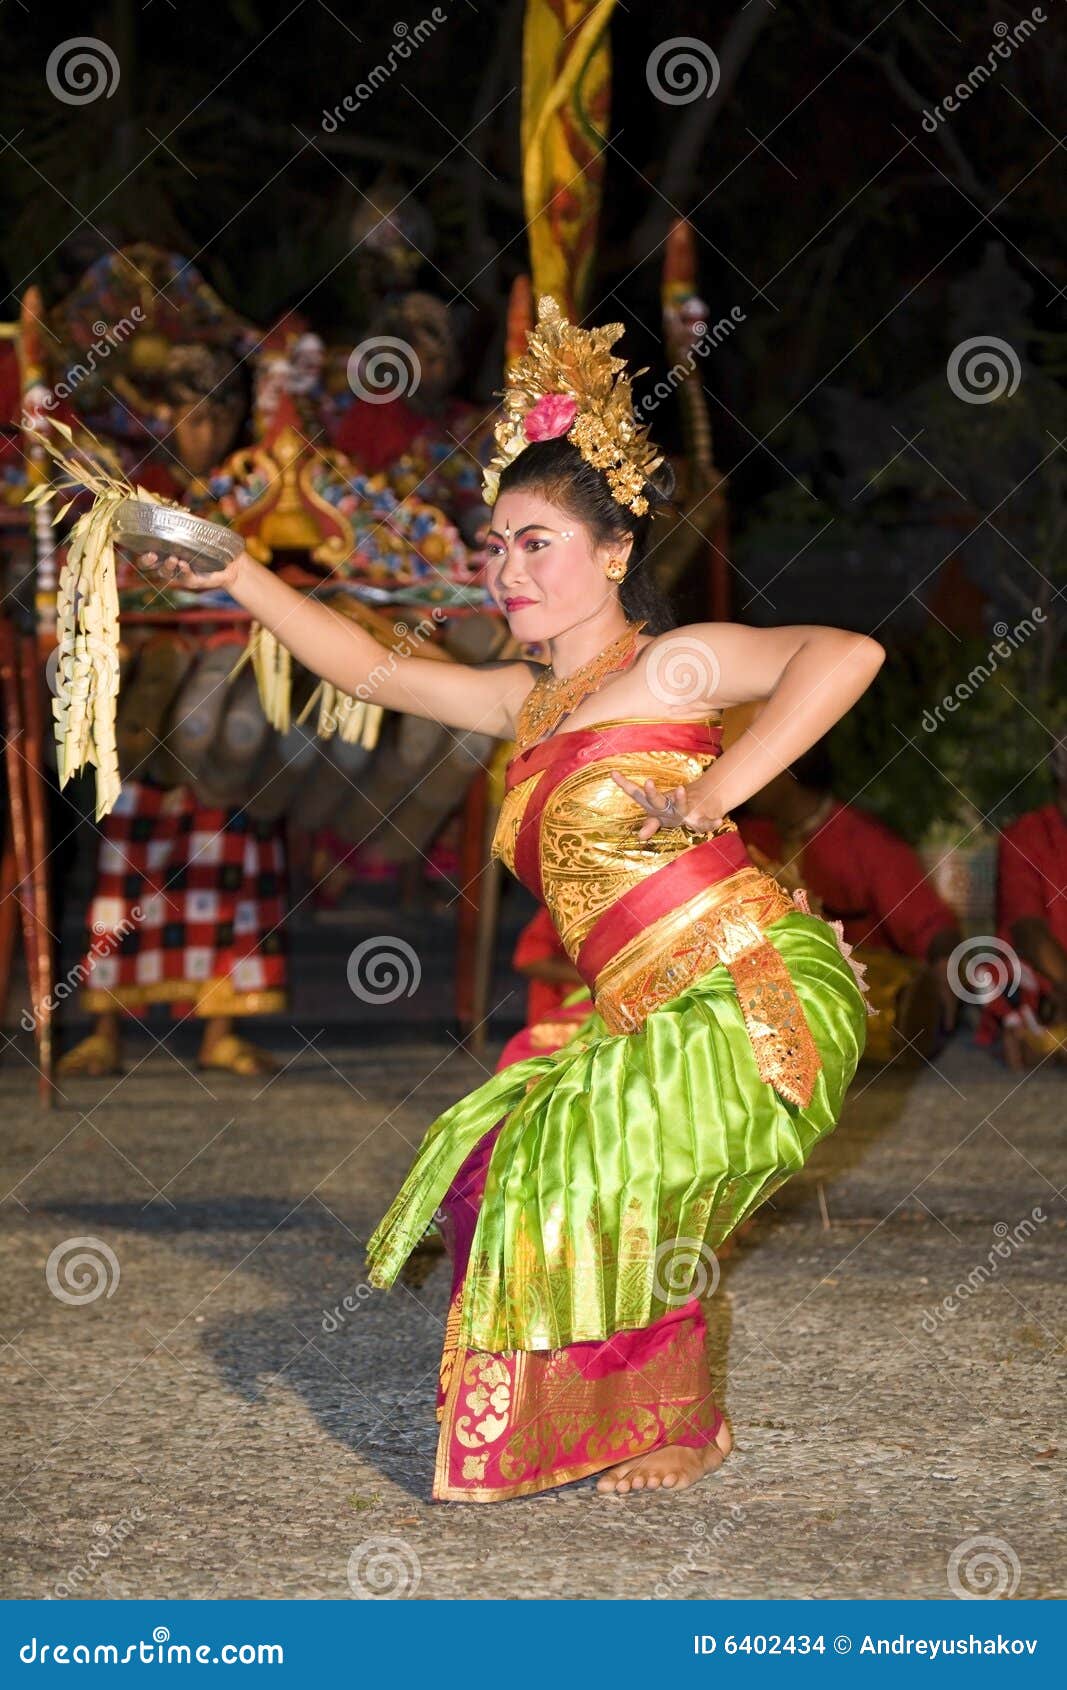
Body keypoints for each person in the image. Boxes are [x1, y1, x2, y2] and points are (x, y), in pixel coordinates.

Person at [138, 294, 882, 1502]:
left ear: (615, 552)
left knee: (595, 1170)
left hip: (747, 996)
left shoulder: (669, 663)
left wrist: (709, 800)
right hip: (642, 1012)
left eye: (536, 542)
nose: (505, 567)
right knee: (495, 1172)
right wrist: (236, 568)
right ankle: (611, 1408)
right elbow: (361, 664)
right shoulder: (517, 704)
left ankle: (675, 1418)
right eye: (495, 545)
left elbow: (844, 657)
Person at [737, 738, 963, 1035]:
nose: (739, 778)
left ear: (789, 766)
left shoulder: (868, 844)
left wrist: (946, 966)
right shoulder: (745, 837)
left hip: (858, 1012)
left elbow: (930, 926)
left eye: (750, 765)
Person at [976, 740, 1067, 1070]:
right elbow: (1028, 930)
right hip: (1046, 984)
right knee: (1014, 977)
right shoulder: (1026, 836)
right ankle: (1035, 1034)